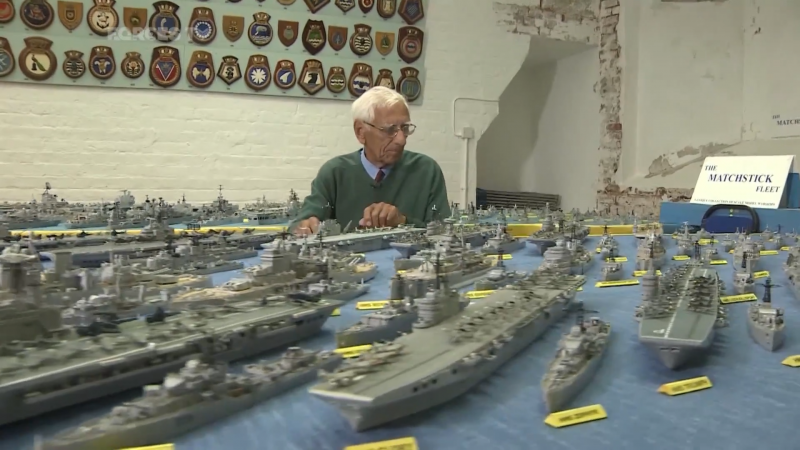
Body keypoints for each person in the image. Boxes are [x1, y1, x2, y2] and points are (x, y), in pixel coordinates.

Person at [293, 87, 451, 235]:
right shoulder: (334, 174)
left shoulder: (426, 171)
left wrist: (403, 222)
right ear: (360, 132)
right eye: (390, 130)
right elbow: (300, 224)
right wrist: (305, 227)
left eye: (405, 128)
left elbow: (445, 232)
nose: (401, 140)